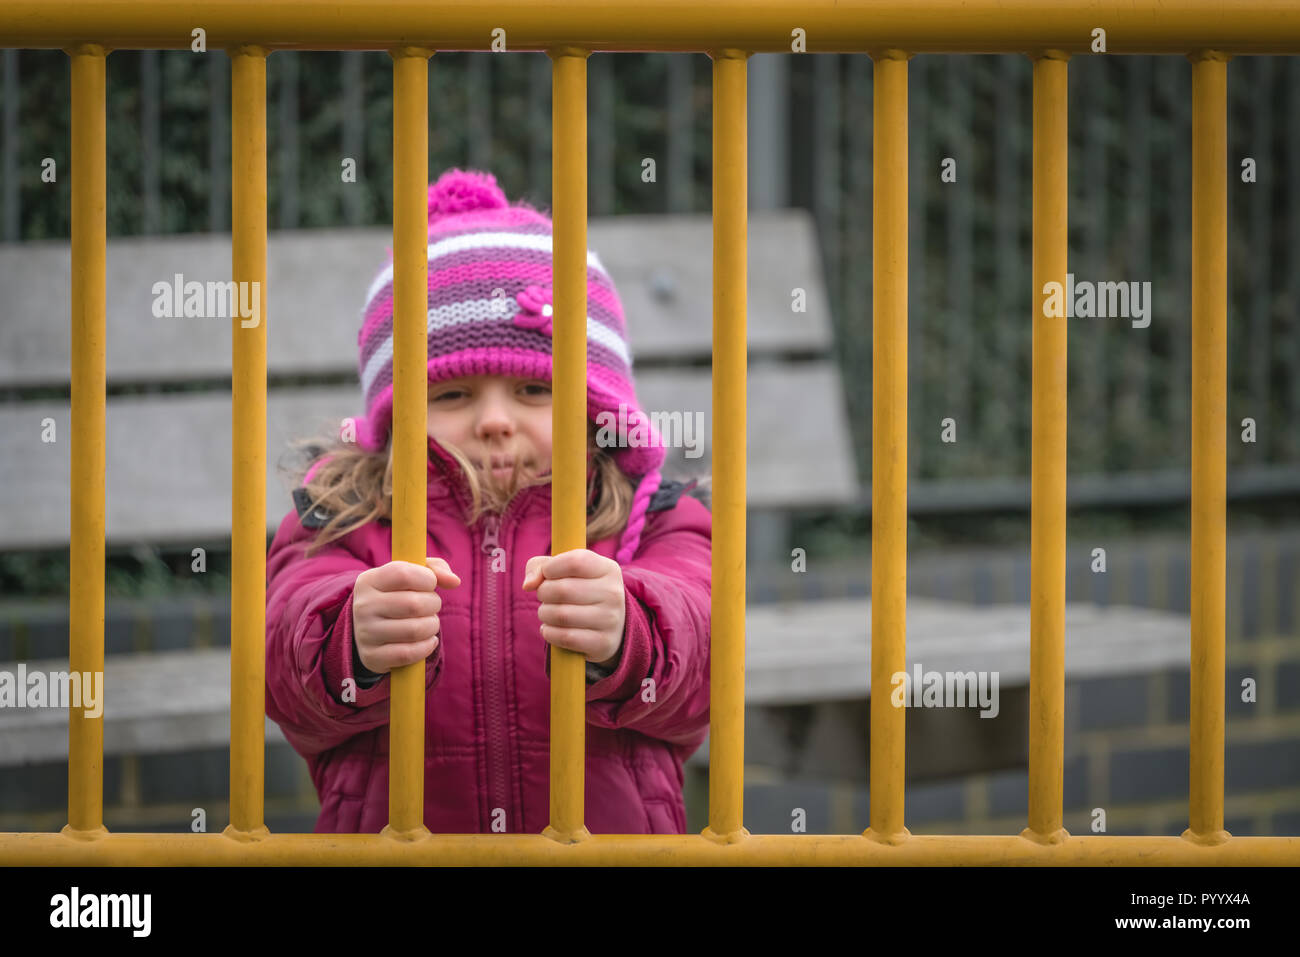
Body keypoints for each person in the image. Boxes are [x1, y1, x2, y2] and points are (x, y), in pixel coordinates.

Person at [264, 167, 713, 835]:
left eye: (535, 391)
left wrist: (632, 631)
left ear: (597, 409)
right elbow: (281, 675)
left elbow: (707, 657)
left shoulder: (650, 519)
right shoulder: (345, 514)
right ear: (396, 413)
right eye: (451, 395)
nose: (495, 420)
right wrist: (347, 642)